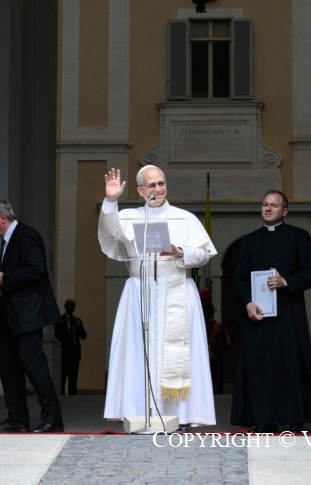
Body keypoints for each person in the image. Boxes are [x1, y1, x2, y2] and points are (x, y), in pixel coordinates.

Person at [99, 166, 217, 429]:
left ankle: (181, 416)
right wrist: (110, 200)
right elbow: (110, 233)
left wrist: (181, 252)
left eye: (161, 183)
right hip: (140, 292)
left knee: (176, 355)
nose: (158, 189)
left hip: (177, 288)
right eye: (151, 185)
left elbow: (204, 254)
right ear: (141, 191)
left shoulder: (185, 218)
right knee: (138, 353)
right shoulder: (128, 216)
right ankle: (139, 413)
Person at [231, 190, 311, 434]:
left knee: (292, 364)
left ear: (285, 211)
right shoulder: (249, 241)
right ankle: (263, 418)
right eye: (264, 205)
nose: (268, 209)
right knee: (261, 367)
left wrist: (286, 282)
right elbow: (239, 277)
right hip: (259, 315)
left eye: (274, 205)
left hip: (289, 313)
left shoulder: (299, 237)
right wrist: (247, 303)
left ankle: (296, 417)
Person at [0, 199, 64, 433]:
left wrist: (4, 279)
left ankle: (53, 419)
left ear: (2, 218)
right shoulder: (9, 239)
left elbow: (37, 270)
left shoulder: (26, 235)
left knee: (34, 367)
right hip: (11, 318)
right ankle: (17, 419)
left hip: (27, 317)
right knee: (7, 366)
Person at [200, 289, 232, 394]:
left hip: (215, 360)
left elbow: (226, 345)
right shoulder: (198, 327)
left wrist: (213, 351)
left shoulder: (219, 327)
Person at [55, 298, 87, 395]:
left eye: (73, 306)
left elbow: (84, 336)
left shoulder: (78, 321)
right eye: (69, 305)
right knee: (63, 376)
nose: (71, 308)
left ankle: (73, 396)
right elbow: (57, 335)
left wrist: (78, 324)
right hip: (64, 353)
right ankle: (62, 395)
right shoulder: (59, 320)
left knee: (73, 377)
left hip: (75, 353)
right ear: (65, 307)